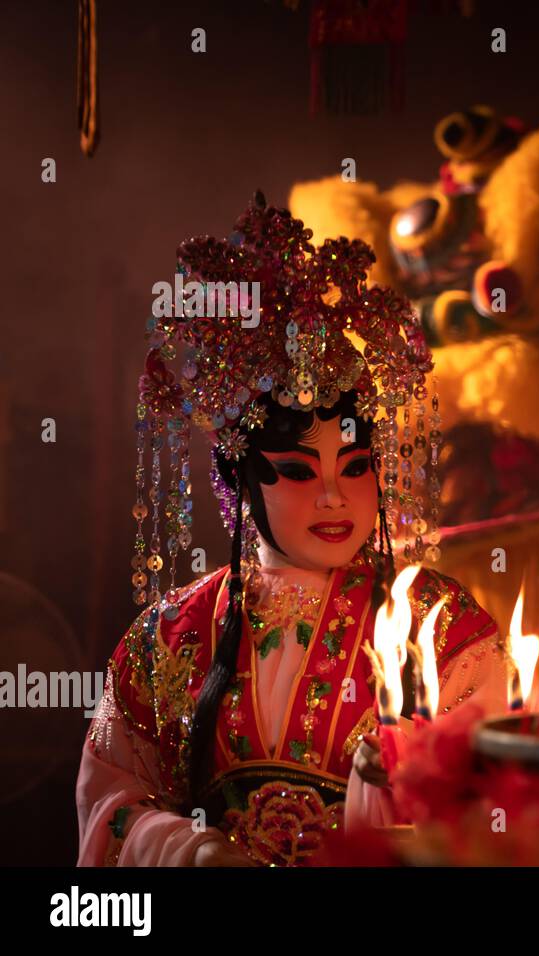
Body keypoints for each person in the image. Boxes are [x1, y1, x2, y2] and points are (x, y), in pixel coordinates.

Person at [77, 194, 507, 867]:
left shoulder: (443, 632)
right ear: (241, 479)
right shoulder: (166, 639)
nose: (336, 497)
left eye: (356, 465)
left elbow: (500, 813)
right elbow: (110, 800)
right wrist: (191, 853)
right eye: (300, 472)